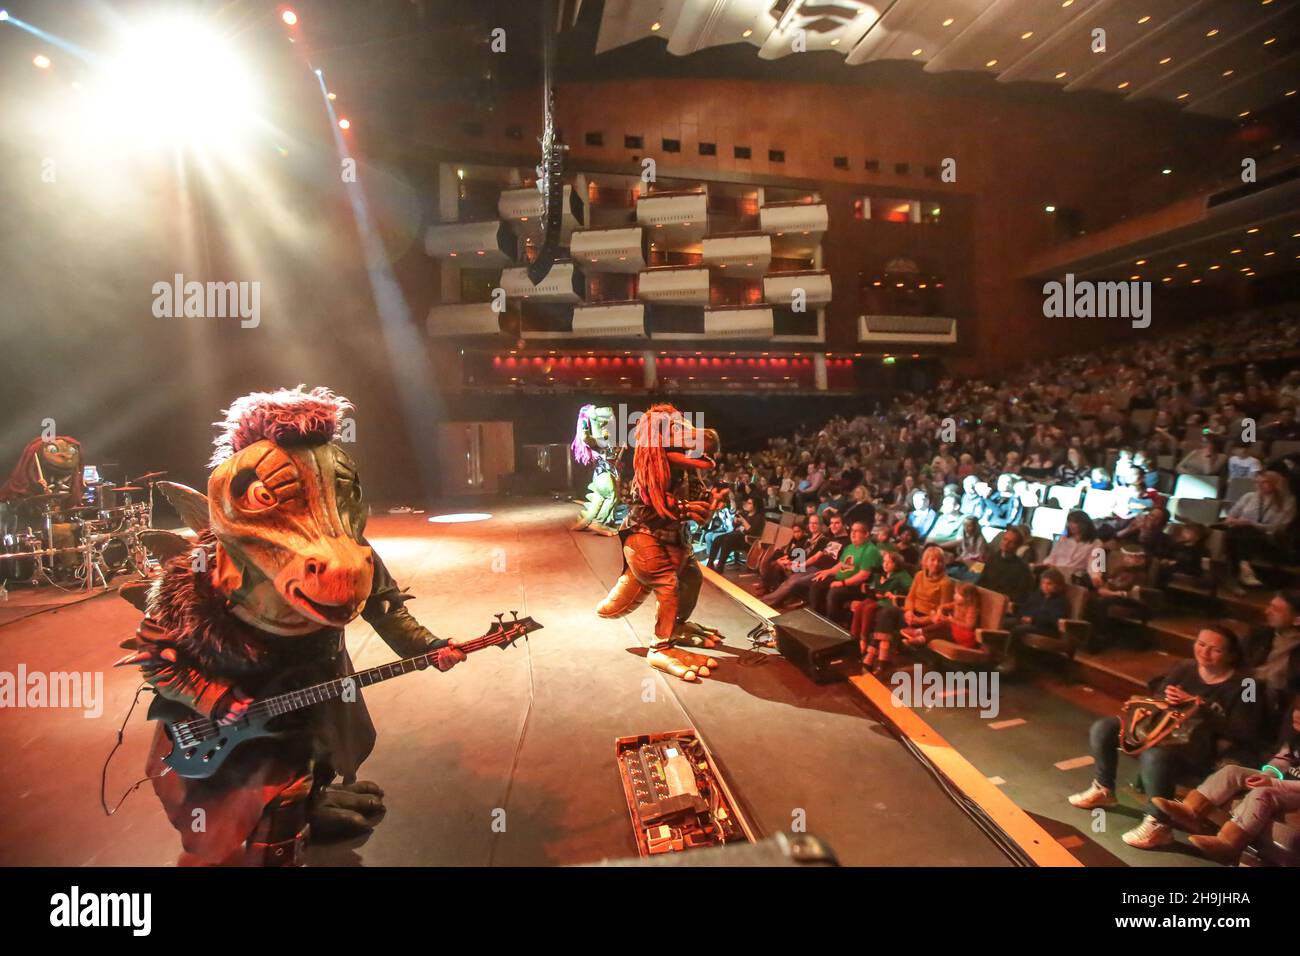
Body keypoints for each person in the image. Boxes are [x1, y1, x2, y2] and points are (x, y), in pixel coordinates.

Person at [117, 387, 467, 866]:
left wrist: (429, 647)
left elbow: (384, 607)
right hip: (230, 700)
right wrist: (210, 697)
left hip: (309, 682)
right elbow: (158, 654)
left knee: (315, 750)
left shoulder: (347, 547)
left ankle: (313, 804)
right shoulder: (205, 570)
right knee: (250, 802)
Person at [1068, 626, 1261, 850]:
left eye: (1214, 649)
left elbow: (1245, 731)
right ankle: (1103, 788)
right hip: (1165, 732)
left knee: (1155, 756)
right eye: (1200, 644)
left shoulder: (1247, 685)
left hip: (1204, 746)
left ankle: (1159, 825)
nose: (1204, 652)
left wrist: (1199, 706)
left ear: (1231, 655)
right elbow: (1159, 697)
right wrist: (1167, 700)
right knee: (1104, 728)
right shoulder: (1185, 667)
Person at [1152, 699, 1300, 866]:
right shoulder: (1296, 737)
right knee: (1232, 771)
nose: (1296, 715)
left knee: (1263, 793)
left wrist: (1272, 784)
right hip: (1283, 782)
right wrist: (1268, 774)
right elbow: (1281, 761)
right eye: (1296, 710)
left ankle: (1230, 844)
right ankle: (1191, 811)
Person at [871, 546, 954, 658]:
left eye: (940, 561)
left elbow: (943, 611)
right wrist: (908, 612)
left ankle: (878, 658)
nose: (936, 563)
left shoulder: (946, 583)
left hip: (928, 619)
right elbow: (910, 598)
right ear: (925, 561)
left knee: (887, 615)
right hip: (911, 614)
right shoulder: (919, 575)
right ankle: (877, 656)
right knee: (887, 612)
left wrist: (920, 620)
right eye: (933, 560)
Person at [1225, 470, 1296, 588]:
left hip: (1270, 538)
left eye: (1264, 482)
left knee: (1243, 530)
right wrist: (1232, 520)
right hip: (1243, 535)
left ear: (1275, 483)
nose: (1259, 486)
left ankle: (1238, 573)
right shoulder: (1248, 497)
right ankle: (1245, 567)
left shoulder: (1288, 501)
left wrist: (1251, 524)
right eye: (1257, 482)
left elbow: (1276, 527)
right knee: (1237, 531)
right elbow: (1231, 514)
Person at [762, 511, 847, 607]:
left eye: (837, 523)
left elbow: (841, 563)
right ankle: (770, 596)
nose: (833, 526)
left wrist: (800, 565)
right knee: (780, 568)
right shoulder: (831, 538)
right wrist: (795, 563)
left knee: (794, 580)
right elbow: (817, 556)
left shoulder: (844, 541)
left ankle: (768, 601)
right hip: (813, 566)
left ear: (844, 525)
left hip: (823, 570)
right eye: (831, 523)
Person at [853, 549, 912, 674]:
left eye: (889, 563)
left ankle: (867, 648)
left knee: (871, 609)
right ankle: (855, 640)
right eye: (884, 562)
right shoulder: (883, 575)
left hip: (894, 606)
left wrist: (895, 595)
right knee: (860, 606)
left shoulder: (902, 576)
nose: (885, 565)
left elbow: (911, 592)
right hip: (881, 602)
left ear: (896, 564)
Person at [808, 520, 880, 623]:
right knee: (817, 582)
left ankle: (833, 624)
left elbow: (863, 576)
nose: (853, 534)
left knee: (834, 593)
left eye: (857, 531)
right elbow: (841, 565)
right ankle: (815, 617)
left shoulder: (870, 550)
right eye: (852, 531)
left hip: (858, 587)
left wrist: (841, 583)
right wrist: (828, 572)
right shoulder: (850, 547)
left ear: (866, 534)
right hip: (842, 580)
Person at [901, 582, 981, 651]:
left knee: (945, 624)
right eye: (956, 593)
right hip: (955, 630)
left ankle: (918, 632)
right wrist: (940, 612)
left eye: (958, 594)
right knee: (939, 632)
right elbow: (943, 606)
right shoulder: (957, 603)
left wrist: (951, 620)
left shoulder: (971, 609)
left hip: (965, 636)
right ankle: (917, 640)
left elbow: (969, 626)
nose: (955, 596)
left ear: (968, 598)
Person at [1035, 510, 1101, 581]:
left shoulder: (1095, 543)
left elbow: (1094, 564)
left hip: (1074, 574)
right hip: (1054, 570)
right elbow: (1053, 556)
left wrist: (1096, 577)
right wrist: (1046, 564)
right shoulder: (1064, 538)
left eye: (1075, 522)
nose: (1071, 525)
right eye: (1069, 522)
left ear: (1084, 524)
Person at [707, 494, 765, 572]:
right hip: (738, 537)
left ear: (756, 505)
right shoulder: (745, 513)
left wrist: (743, 521)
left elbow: (752, 531)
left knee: (727, 540)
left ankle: (720, 566)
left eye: (750, 503)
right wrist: (735, 521)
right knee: (718, 539)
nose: (747, 505)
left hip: (749, 540)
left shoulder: (759, 517)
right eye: (747, 502)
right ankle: (710, 563)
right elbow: (734, 526)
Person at [976, 527, 1035, 602]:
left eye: (1011, 542)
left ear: (1017, 546)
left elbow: (1021, 595)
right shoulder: (992, 558)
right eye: (1005, 539)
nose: (1006, 543)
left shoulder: (1022, 569)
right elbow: (982, 580)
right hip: (985, 597)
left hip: (1002, 603)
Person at [944, 515, 988, 582]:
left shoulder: (980, 540)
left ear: (975, 527)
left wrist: (963, 559)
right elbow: (960, 544)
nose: (966, 528)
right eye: (965, 526)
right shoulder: (966, 536)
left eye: (969, 526)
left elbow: (979, 559)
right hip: (962, 561)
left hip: (973, 565)